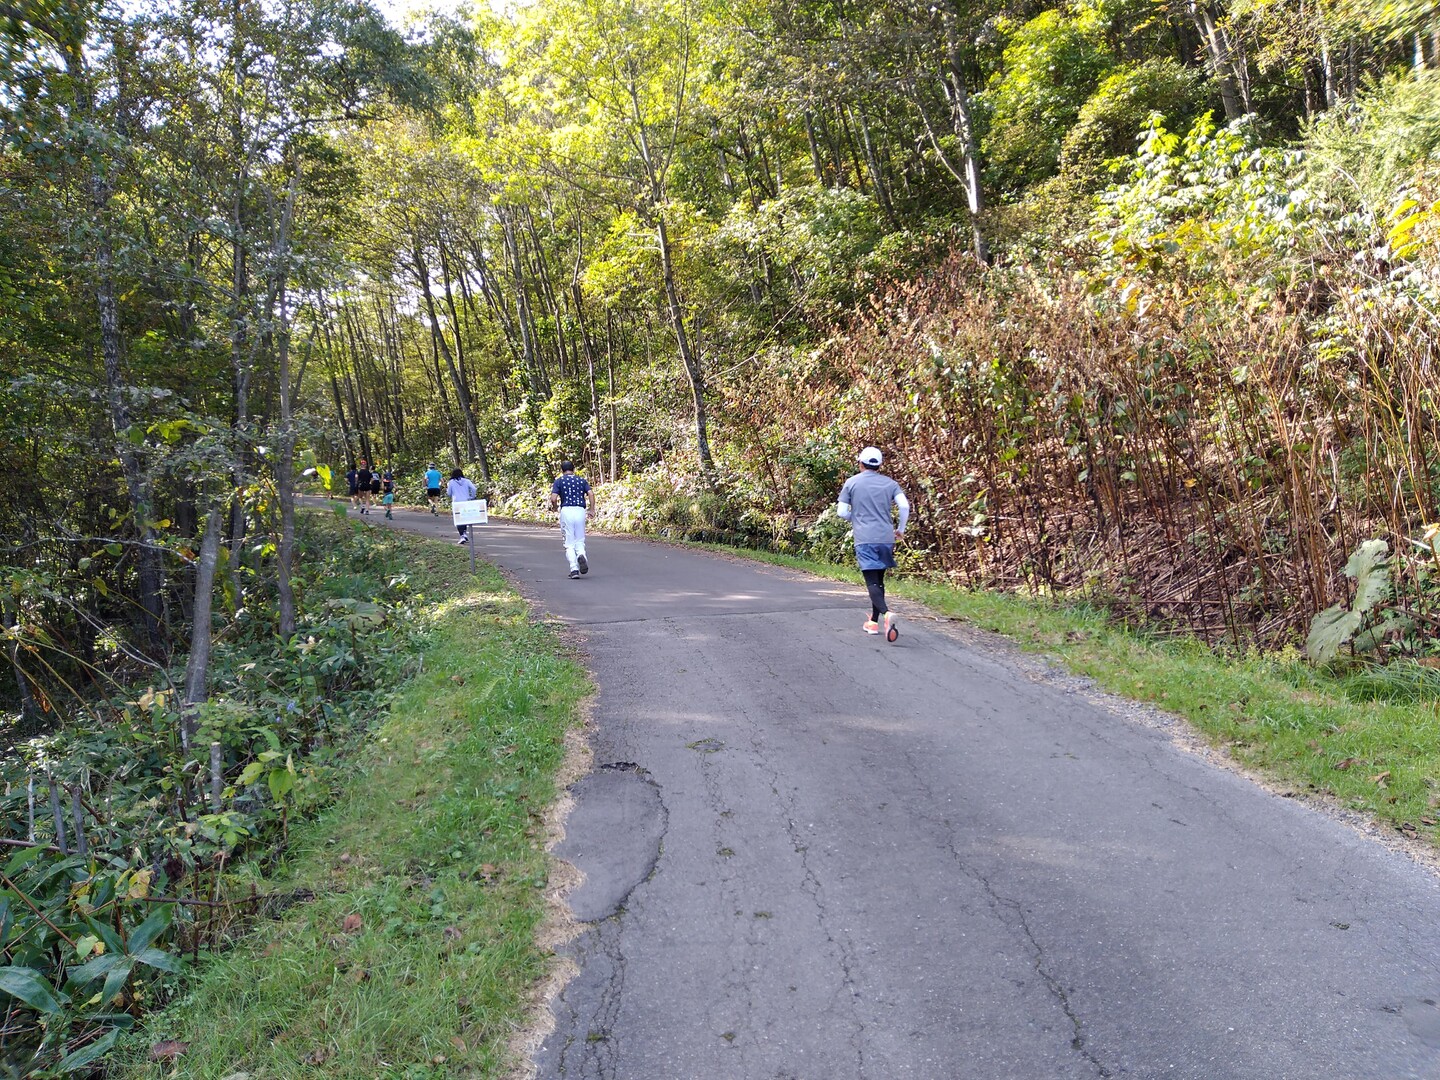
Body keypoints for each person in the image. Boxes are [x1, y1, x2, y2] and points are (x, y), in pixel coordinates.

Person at [837, 446, 909, 642]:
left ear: (860, 463)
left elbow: (841, 512)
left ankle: (886, 614)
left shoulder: (852, 482)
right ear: (879, 465)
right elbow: (904, 506)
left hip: (865, 538)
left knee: (871, 582)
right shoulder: (891, 483)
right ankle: (874, 623)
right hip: (886, 538)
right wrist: (901, 529)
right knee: (879, 580)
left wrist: (855, 517)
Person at [547, 460, 594, 579]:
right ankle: (581, 555)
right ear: (573, 469)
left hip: (566, 511)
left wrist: (555, 507)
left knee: (569, 542)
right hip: (580, 510)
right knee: (580, 538)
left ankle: (574, 569)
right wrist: (592, 509)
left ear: (562, 470)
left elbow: (553, 498)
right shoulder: (581, 480)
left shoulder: (559, 481)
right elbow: (591, 493)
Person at [447, 467, 477, 544]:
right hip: (465, 501)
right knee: (464, 518)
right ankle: (464, 533)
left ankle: (462, 536)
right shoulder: (467, 481)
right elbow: (474, 489)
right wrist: (472, 496)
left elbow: (449, 493)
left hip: (456, 502)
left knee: (458, 520)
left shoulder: (451, 482)